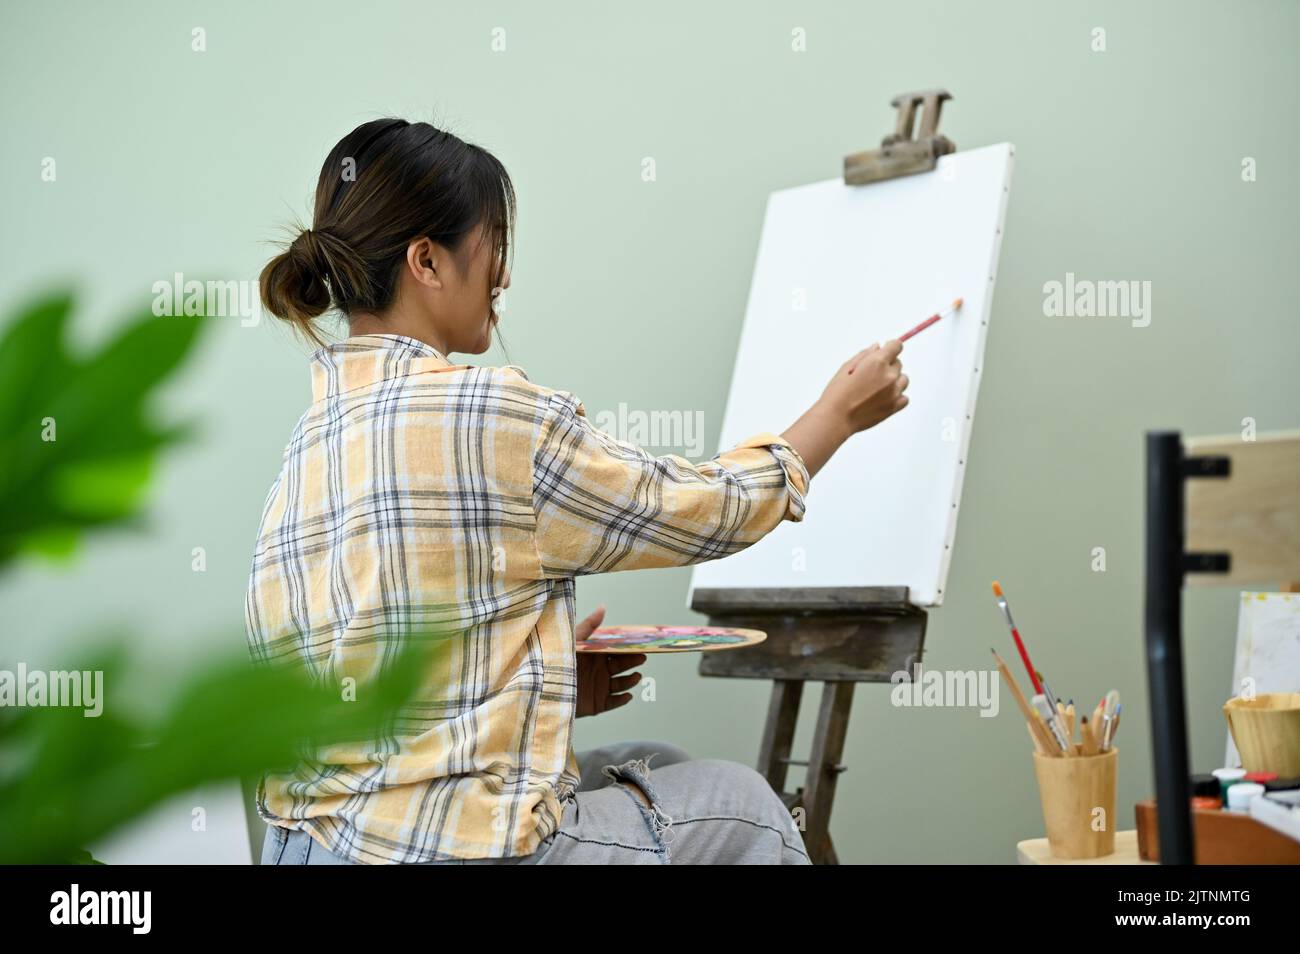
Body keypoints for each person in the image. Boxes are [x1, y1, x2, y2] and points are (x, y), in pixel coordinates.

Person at [248, 118, 908, 865]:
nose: (503, 272)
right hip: (439, 848)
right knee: (746, 810)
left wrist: (551, 685)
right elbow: (701, 509)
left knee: (652, 755)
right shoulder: (491, 417)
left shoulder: (310, 442)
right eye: (491, 240)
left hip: (308, 844)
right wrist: (835, 418)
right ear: (427, 260)